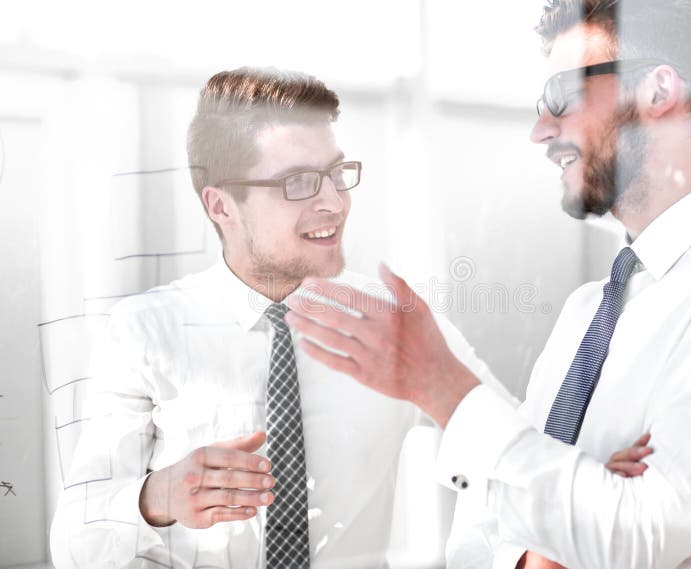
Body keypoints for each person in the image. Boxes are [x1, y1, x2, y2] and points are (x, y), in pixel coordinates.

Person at [283, 1, 691, 568]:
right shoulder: (586, 312)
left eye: (563, 97)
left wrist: (444, 387)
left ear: (657, 92)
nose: (540, 131)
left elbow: (639, 537)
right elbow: (478, 542)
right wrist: (559, 534)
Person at [49, 67, 522, 569]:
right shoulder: (144, 332)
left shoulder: (394, 323)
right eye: (298, 182)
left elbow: (522, 457)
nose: (334, 203)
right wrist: (155, 498)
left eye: (336, 175)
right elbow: (73, 544)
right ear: (222, 206)